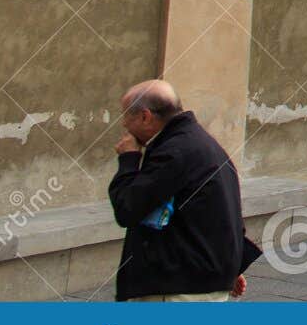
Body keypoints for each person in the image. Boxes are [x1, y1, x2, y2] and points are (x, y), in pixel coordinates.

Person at [109, 80, 260, 302]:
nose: (124, 125)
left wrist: (129, 160)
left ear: (145, 116)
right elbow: (216, 213)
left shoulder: (174, 152)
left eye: (127, 117)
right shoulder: (200, 143)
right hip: (201, 280)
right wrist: (227, 269)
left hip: (178, 289)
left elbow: (128, 208)